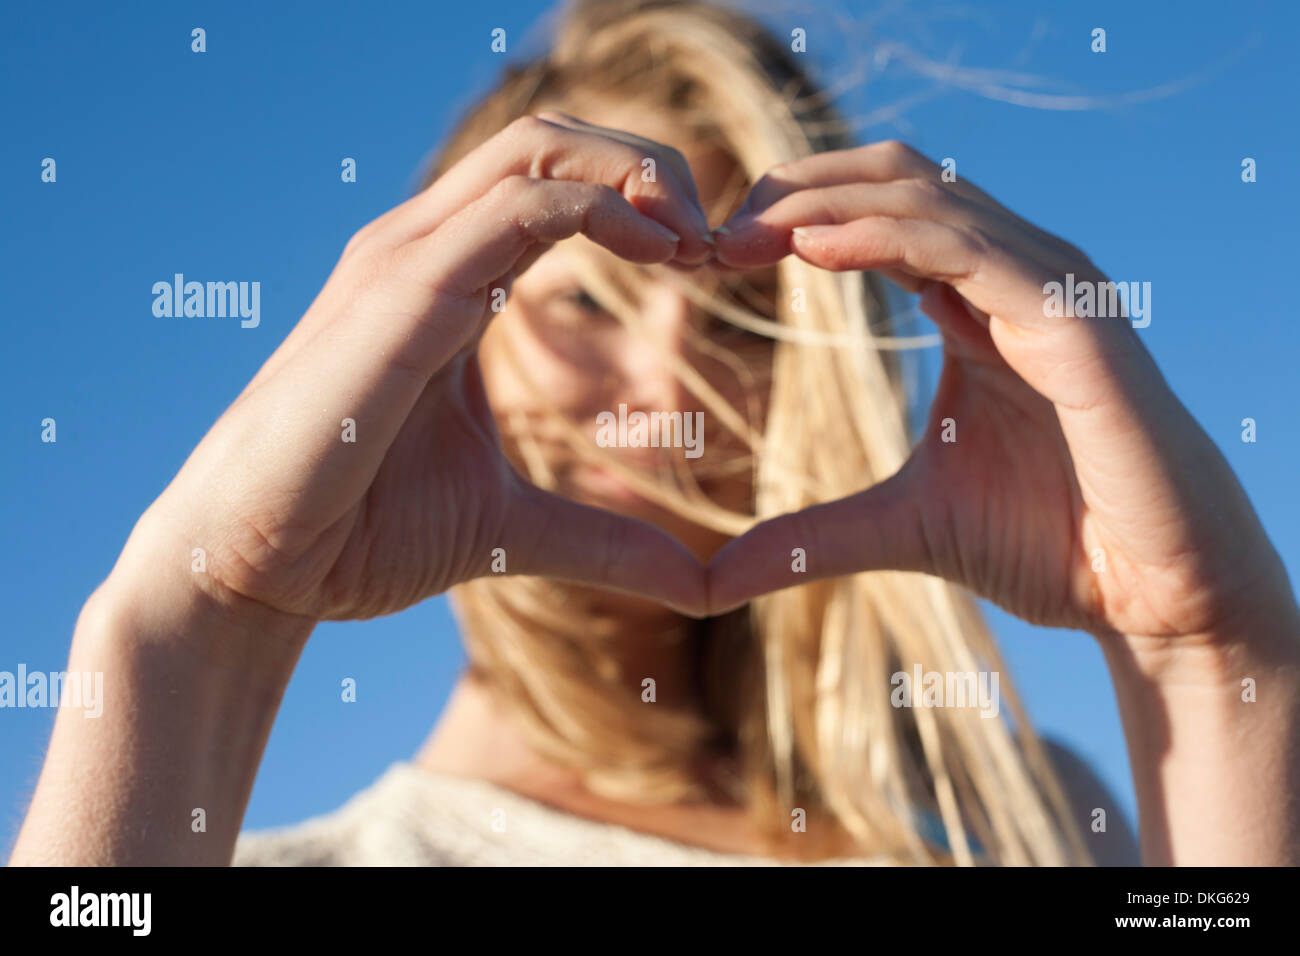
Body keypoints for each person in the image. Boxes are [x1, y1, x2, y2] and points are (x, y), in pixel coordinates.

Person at [11, 0, 1298, 866]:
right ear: (450, 353)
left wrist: (1204, 657)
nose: (666, 372)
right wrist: (195, 626)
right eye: (583, 297)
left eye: (741, 314)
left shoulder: (1022, 818)